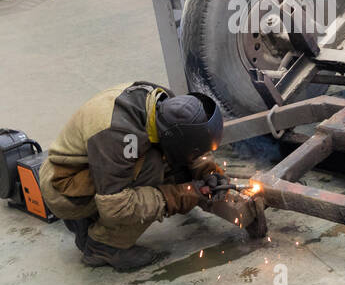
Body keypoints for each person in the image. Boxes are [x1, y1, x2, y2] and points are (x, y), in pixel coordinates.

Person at [38, 82, 224, 271]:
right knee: (153, 168)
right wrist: (178, 196)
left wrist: (208, 171)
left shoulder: (163, 103)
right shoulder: (118, 135)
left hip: (90, 165)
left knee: (168, 165)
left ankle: (88, 220)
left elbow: (187, 143)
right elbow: (116, 207)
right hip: (62, 187)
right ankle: (105, 246)